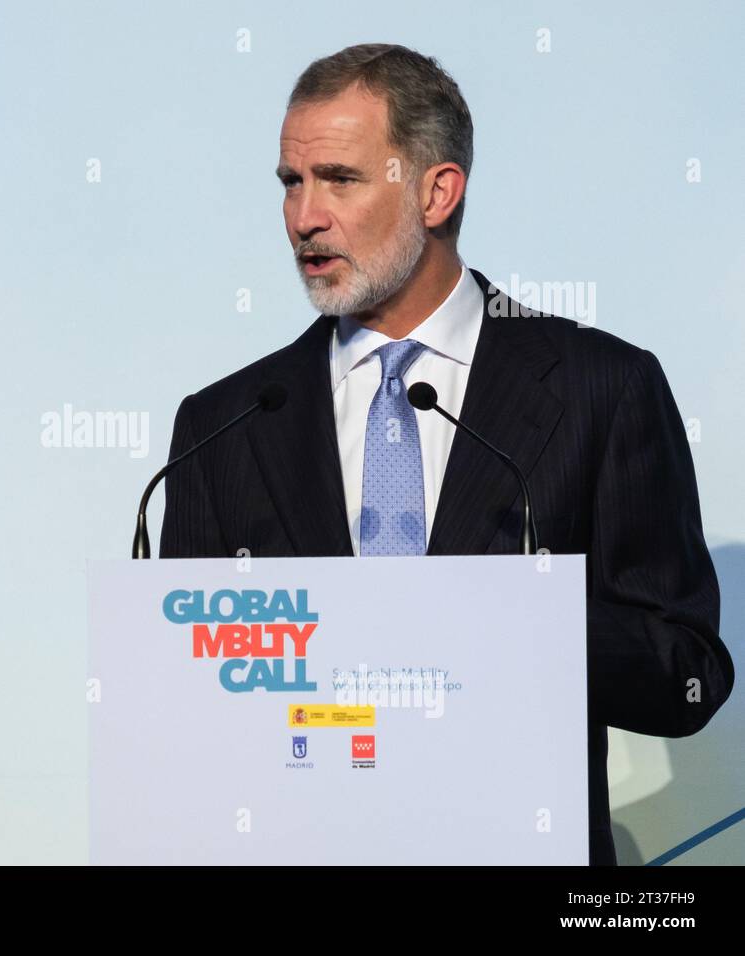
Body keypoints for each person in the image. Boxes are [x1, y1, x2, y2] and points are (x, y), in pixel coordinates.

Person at [159, 43, 734, 866]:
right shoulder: (226, 423)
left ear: (436, 191)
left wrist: (513, 621)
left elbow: (688, 674)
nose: (303, 217)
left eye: (339, 178)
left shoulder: (602, 387)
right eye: (292, 182)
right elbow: (188, 708)